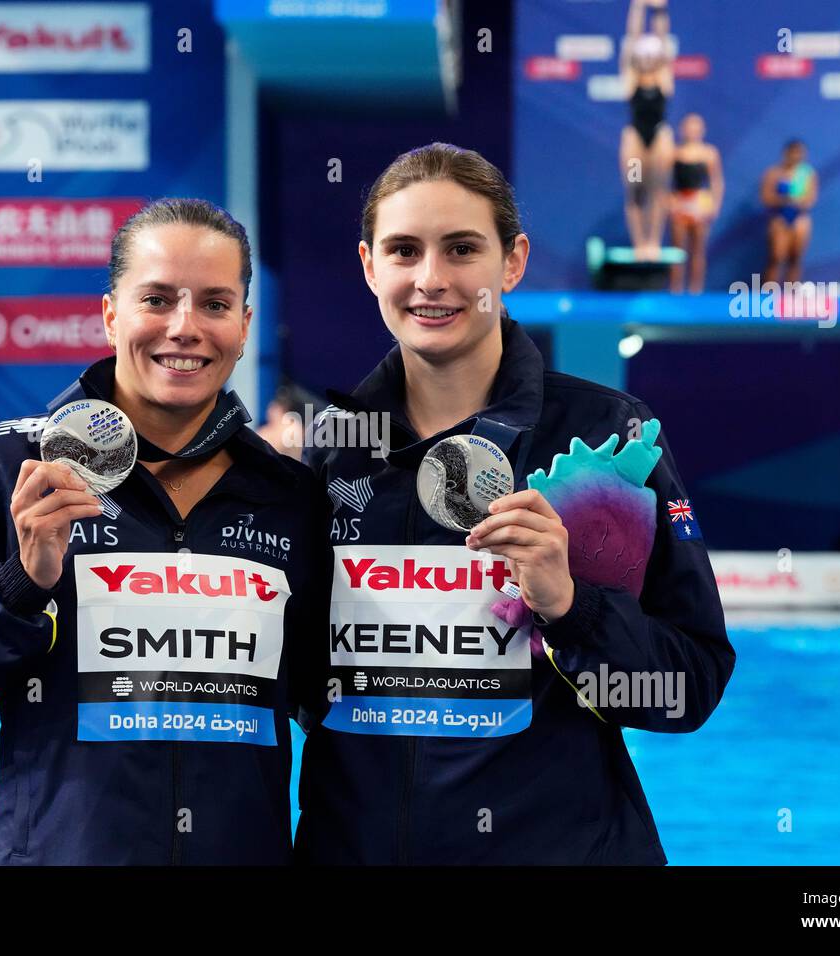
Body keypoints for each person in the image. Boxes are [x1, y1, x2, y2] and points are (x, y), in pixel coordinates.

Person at [294, 143, 735, 864]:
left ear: (512, 261)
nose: (430, 280)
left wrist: (572, 607)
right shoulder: (336, 447)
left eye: (461, 249)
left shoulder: (607, 437)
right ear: (371, 266)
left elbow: (688, 688)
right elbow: (301, 682)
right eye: (404, 251)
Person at [0, 198, 332, 865]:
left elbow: (334, 707)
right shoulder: (5, 464)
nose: (184, 328)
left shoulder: (291, 497)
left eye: (214, 304)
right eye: (156, 299)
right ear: (110, 313)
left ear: (243, 325)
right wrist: (20, 585)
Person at [620, 0, 675, 260]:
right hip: (635, 136)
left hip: (660, 134)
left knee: (658, 190)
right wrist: (638, 6)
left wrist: (660, 9)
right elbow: (631, 39)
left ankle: (653, 242)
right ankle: (638, 243)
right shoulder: (631, 78)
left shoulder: (665, 76)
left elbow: (663, 40)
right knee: (634, 190)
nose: (648, 58)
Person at [668, 113, 723, 293]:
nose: (692, 131)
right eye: (689, 127)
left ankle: (695, 292)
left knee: (698, 250)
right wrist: (669, 201)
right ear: (682, 130)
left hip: (700, 202)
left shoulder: (709, 153)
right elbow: (661, 180)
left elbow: (717, 182)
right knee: (678, 251)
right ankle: (676, 290)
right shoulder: (674, 153)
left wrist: (714, 205)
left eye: (696, 127)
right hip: (680, 202)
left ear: (702, 130)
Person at [760, 139, 817, 284]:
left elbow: (810, 199)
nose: (796, 156)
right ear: (786, 153)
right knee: (776, 257)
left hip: (799, 218)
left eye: (800, 153)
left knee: (795, 258)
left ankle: (791, 296)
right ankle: (768, 296)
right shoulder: (774, 173)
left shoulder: (808, 174)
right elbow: (766, 197)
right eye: (794, 153)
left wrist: (796, 201)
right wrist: (784, 200)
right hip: (779, 217)